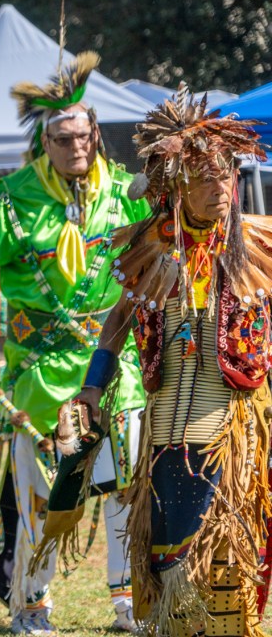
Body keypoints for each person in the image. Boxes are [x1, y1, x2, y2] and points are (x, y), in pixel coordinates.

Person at [0, 52, 148, 634]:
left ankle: (129, 601)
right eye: (63, 138)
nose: (77, 147)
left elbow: (171, 241)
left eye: (84, 135)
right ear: (44, 141)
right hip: (41, 376)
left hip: (113, 366)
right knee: (41, 499)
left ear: (96, 133)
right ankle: (31, 603)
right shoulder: (13, 198)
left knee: (125, 488)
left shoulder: (127, 191)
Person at [72, 87, 271, 636]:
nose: (221, 187)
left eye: (227, 174)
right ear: (175, 184)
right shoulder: (151, 249)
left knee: (225, 572)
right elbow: (115, 323)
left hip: (229, 436)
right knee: (168, 572)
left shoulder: (257, 246)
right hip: (162, 438)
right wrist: (92, 387)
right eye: (205, 176)